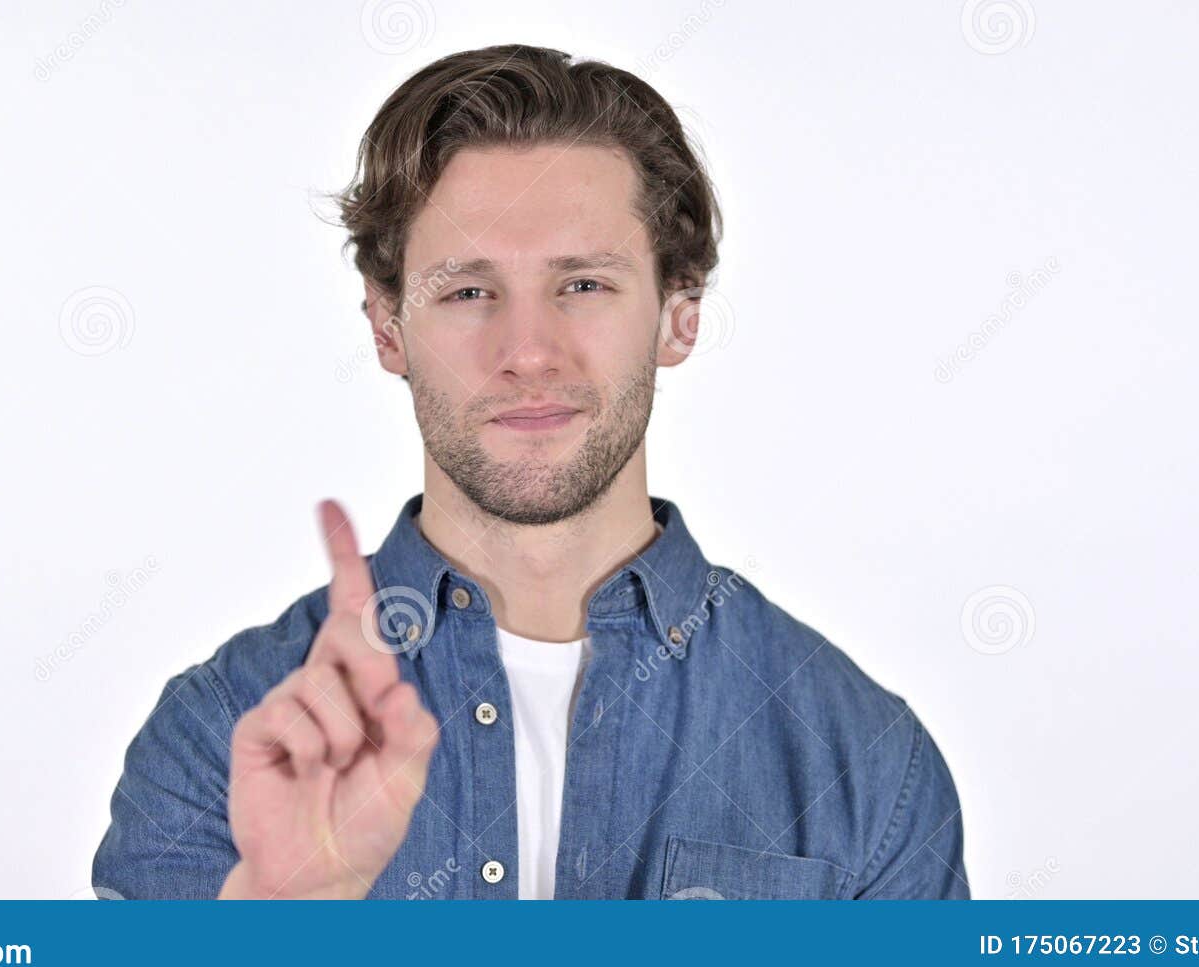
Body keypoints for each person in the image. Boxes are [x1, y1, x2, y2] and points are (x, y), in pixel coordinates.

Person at [93, 43, 969, 900]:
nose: (528, 353)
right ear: (388, 328)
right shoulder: (226, 737)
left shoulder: (863, 763)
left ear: (680, 317)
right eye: (469, 291)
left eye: (583, 284)